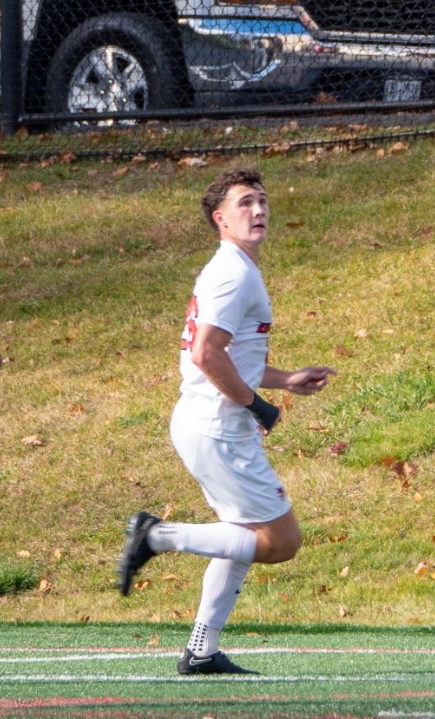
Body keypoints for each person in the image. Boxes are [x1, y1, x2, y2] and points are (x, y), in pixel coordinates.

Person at [117, 168, 336, 675]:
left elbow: (231, 355)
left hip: (207, 421)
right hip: (217, 425)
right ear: (221, 219)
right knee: (280, 543)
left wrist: (283, 380)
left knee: (242, 533)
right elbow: (206, 355)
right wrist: (257, 406)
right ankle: (155, 536)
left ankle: (201, 649)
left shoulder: (235, 267)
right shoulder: (233, 272)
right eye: (244, 204)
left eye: (262, 200)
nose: (258, 210)